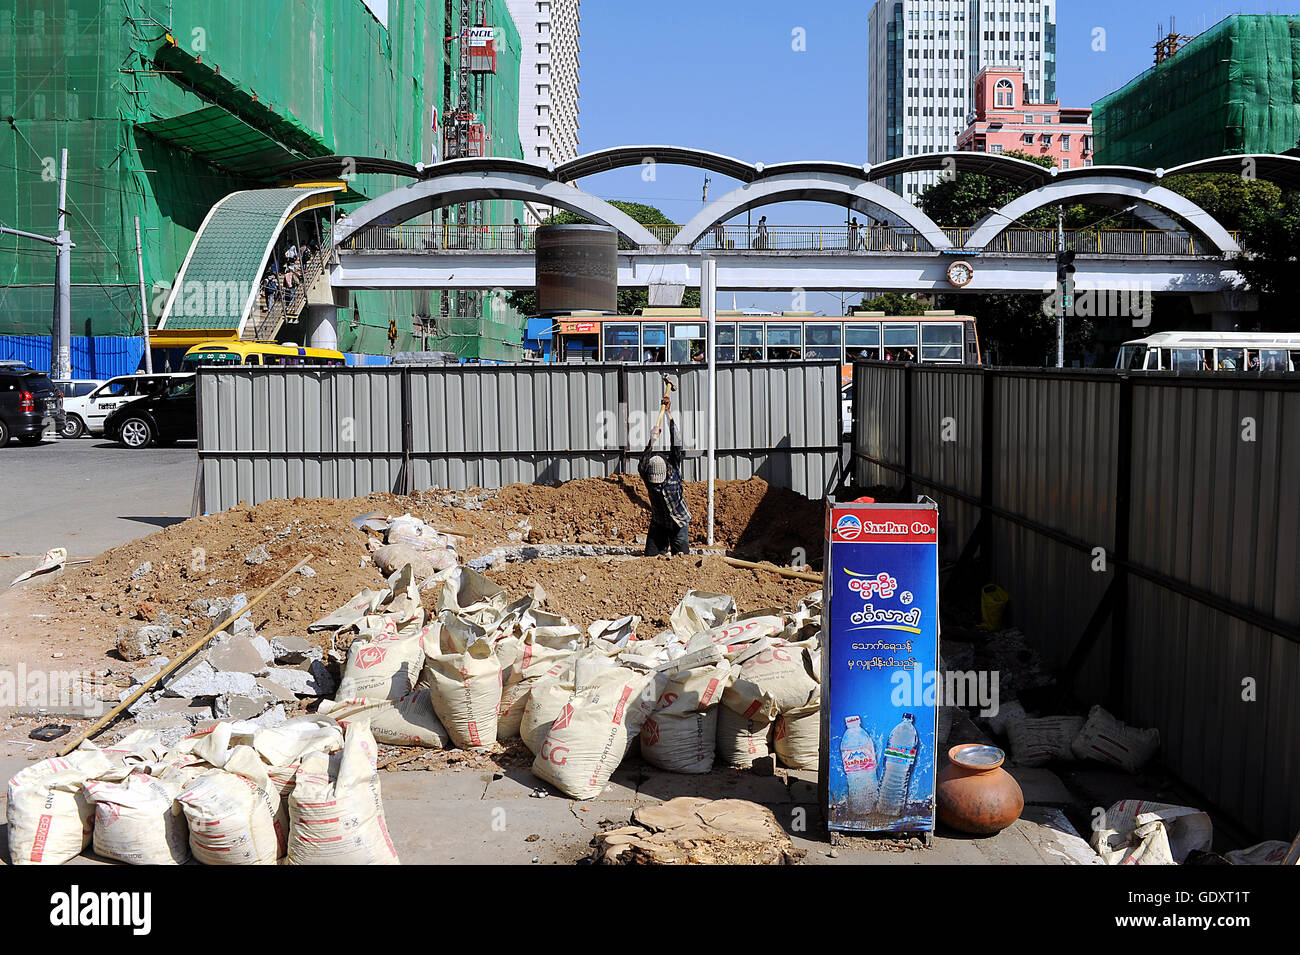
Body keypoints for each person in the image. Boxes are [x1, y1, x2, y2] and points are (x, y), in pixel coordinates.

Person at [639, 396, 690, 556]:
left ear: (667, 471)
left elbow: (677, 442)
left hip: (678, 522)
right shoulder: (646, 473)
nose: (658, 486)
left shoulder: (673, 466)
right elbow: (644, 458)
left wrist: (668, 414)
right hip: (659, 523)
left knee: (682, 561)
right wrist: (652, 440)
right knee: (650, 560)